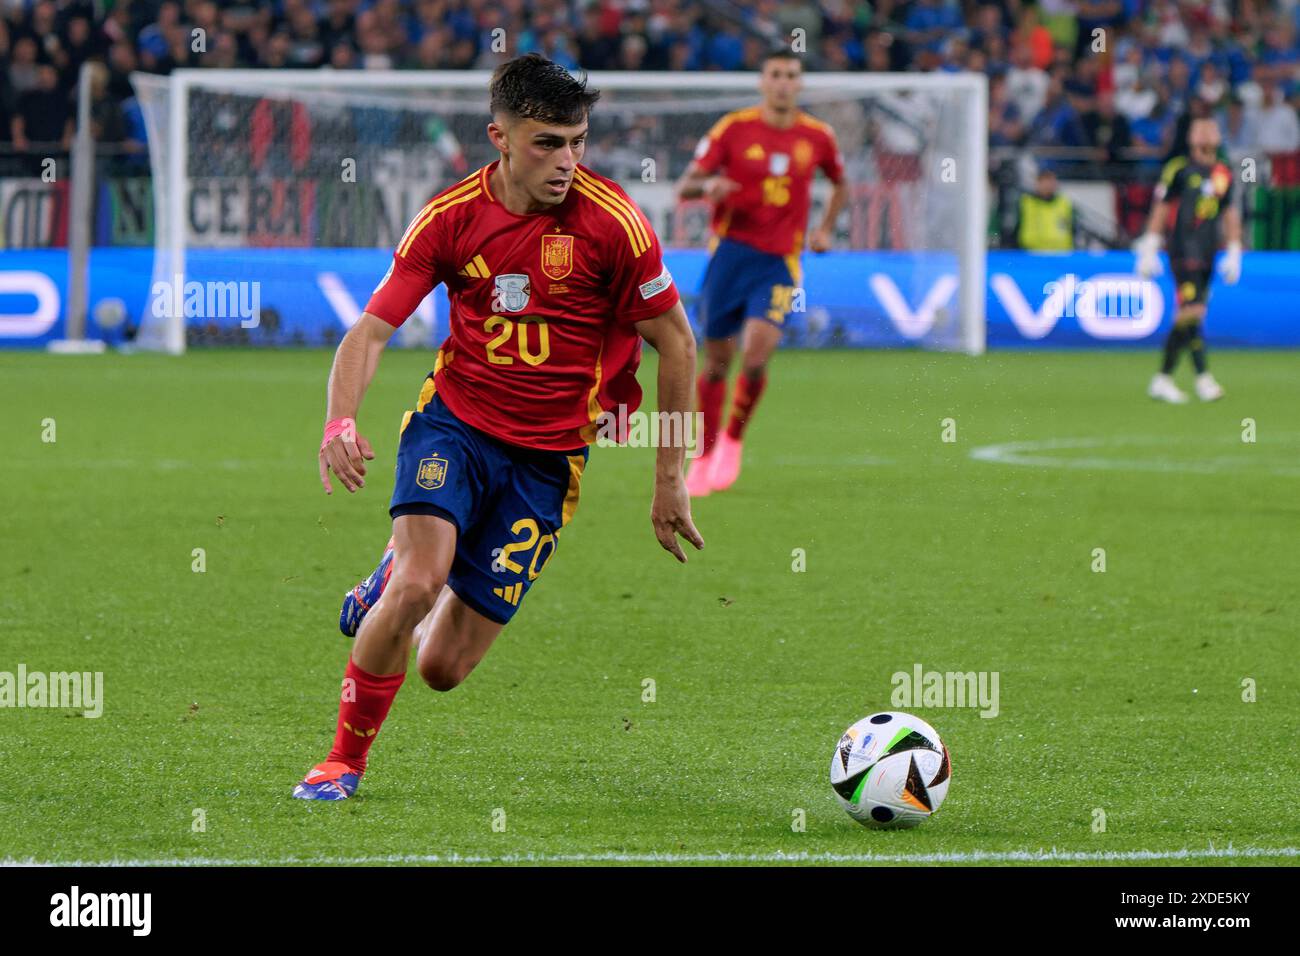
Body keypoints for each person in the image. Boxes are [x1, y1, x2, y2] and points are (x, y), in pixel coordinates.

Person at [296, 54, 704, 800]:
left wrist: (669, 478)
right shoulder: (451, 217)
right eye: (548, 142)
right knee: (420, 585)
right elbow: (373, 329)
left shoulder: (613, 222)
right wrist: (339, 419)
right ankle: (342, 762)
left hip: (549, 462)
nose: (567, 162)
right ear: (501, 138)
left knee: (442, 670)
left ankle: (399, 570)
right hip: (454, 423)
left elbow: (675, 339)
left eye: (578, 142)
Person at [674, 48, 847, 496]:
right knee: (715, 363)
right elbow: (685, 185)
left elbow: (841, 182)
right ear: (762, 82)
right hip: (729, 257)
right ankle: (705, 453)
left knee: (756, 355)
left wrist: (825, 228)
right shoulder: (734, 128)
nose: (784, 82)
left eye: (791, 75)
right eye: (776, 75)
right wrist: (709, 186)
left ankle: (733, 439)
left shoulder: (818, 136)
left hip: (780, 262)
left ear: (800, 83)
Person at [1136, 117, 1241, 404]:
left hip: (1208, 252)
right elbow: (1161, 205)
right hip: (1182, 250)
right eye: (1200, 128)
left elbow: (1229, 211)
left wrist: (1234, 248)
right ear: (1191, 137)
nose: (1206, 131)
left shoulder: (1223, 172)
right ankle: (1203, 378)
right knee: (1192, 311)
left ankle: (1163, 379)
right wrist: (1150, 243)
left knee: (1191, 314)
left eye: (1212, 127)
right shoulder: (1179, 169)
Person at [1017, 168, 1075, 251]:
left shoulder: (1065, 204)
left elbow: (1073, 229)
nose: (1047, 185)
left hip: (1061, 254)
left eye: (1051, 181)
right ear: (1037, 183)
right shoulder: (1025, 203)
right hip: (1031, 254)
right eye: (1044, 182)